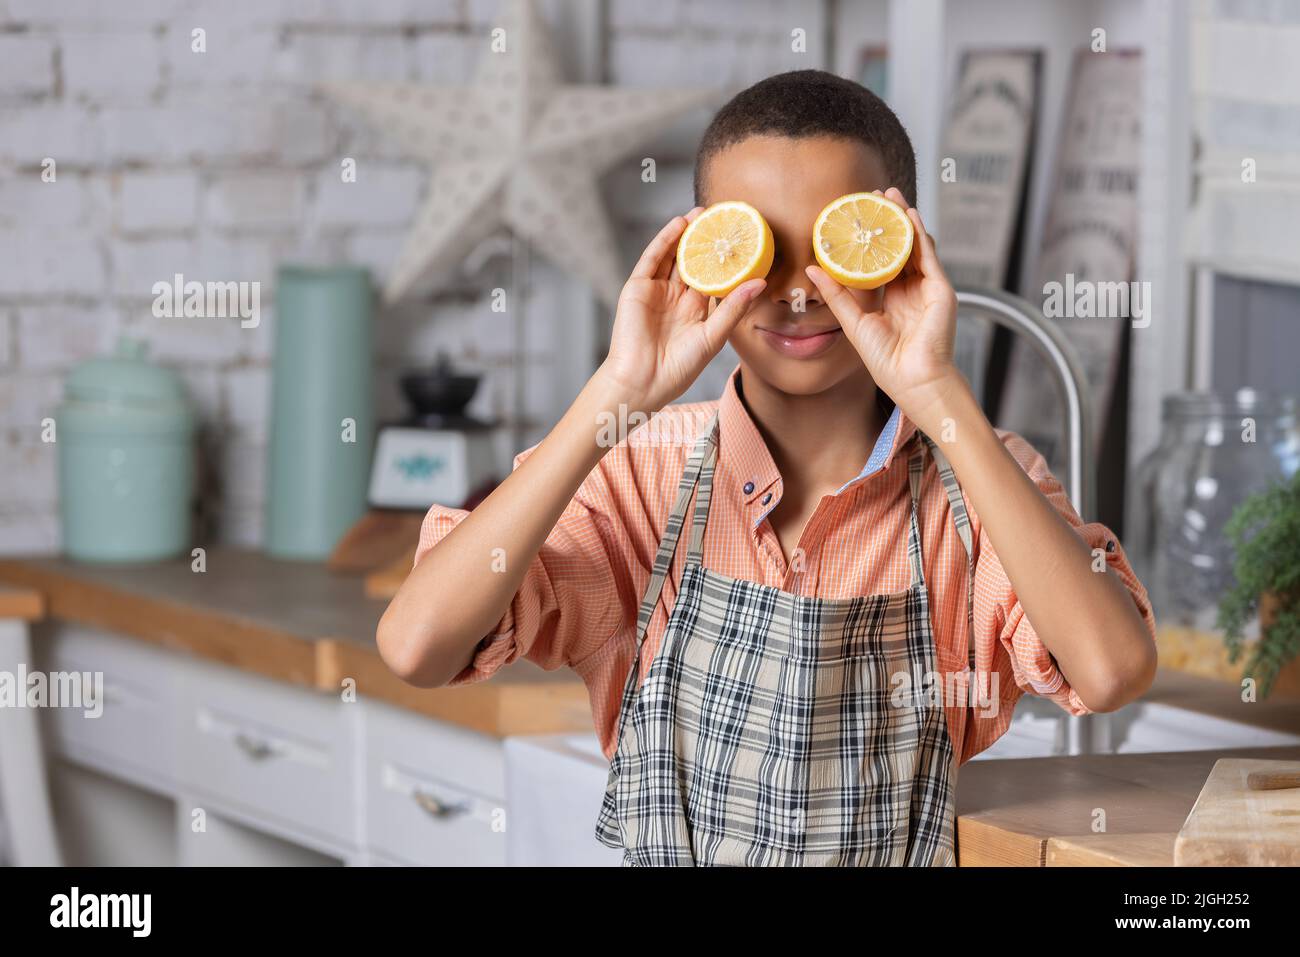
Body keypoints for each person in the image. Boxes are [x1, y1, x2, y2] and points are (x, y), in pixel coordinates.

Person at [377, 70, 1157, 866]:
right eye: (761, 248)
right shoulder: (640, 470)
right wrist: (615, 391)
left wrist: (938, 394)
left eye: (829, 248)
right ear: (702, 256)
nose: (792, 293)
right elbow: (418, 646)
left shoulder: (977, 485)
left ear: (898, 248)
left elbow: (1110, 669)